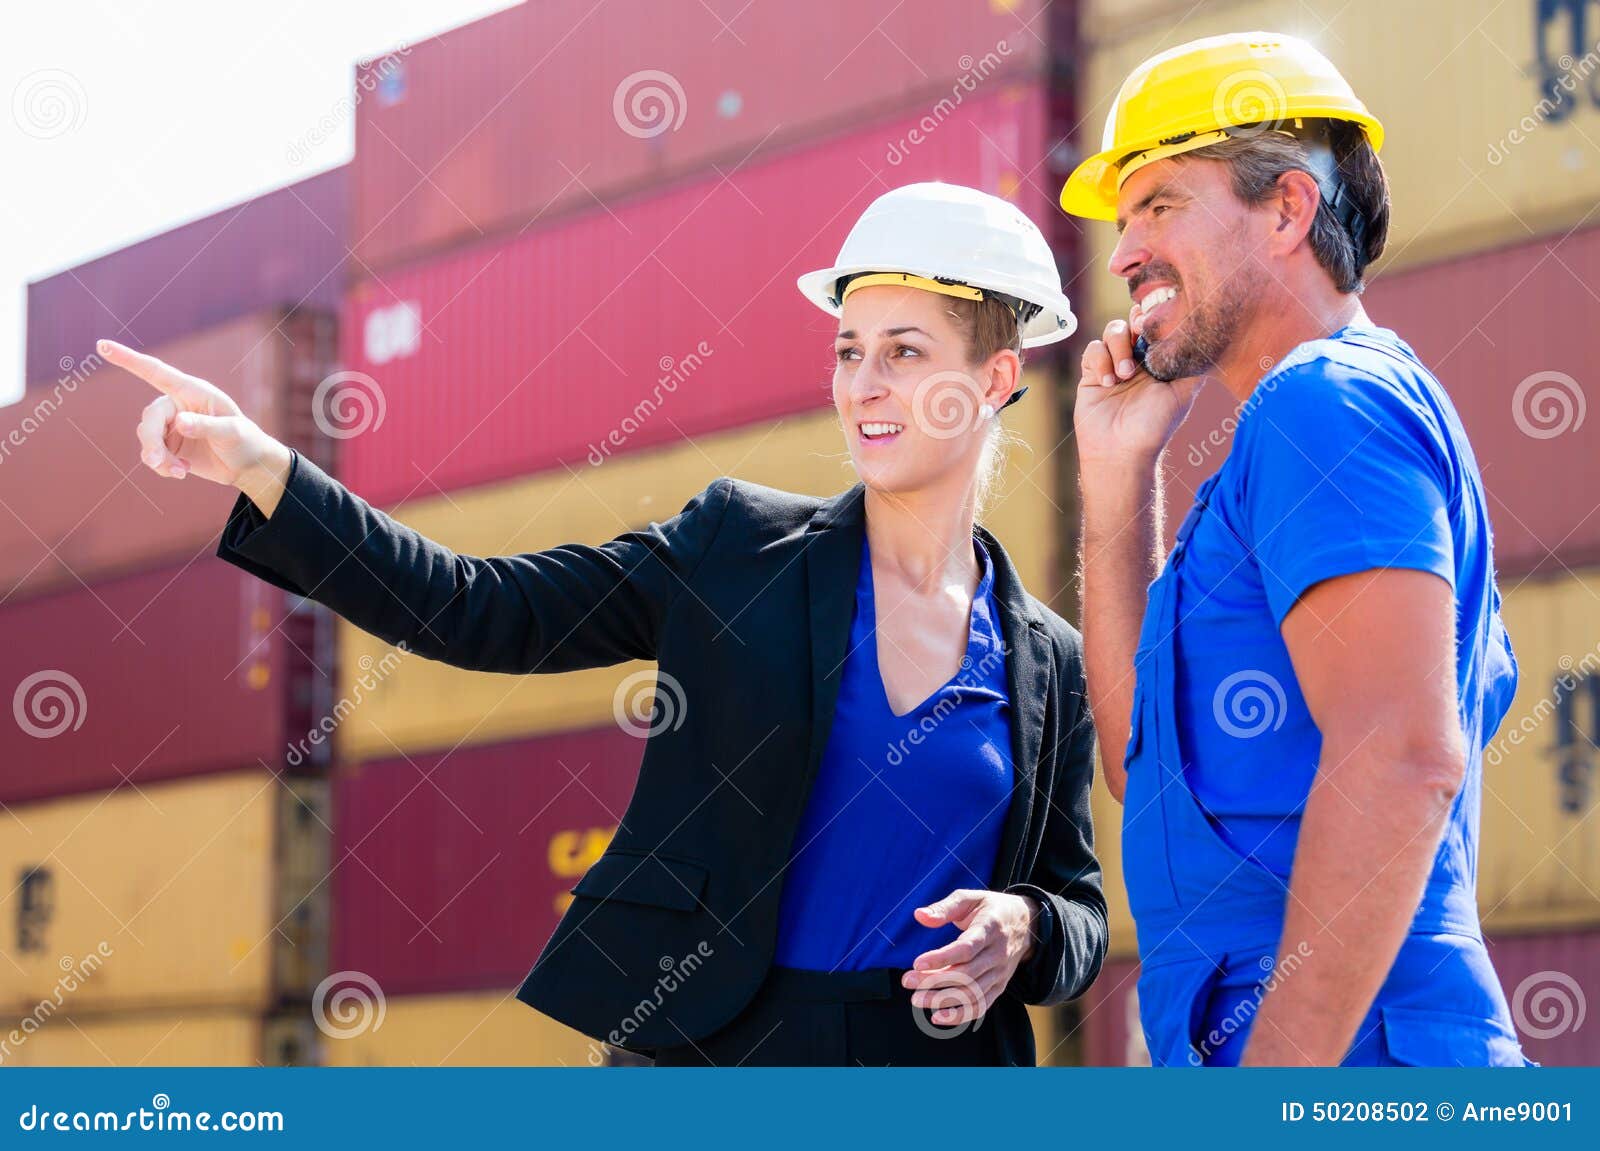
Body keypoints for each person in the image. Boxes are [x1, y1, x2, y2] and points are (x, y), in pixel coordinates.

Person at [104, 181, 1107, 1067]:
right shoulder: (738, 550)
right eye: (849, 351)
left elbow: (1080, 909)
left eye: (904, 352)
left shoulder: (1046, 659)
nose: (864, 384)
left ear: (994, 380)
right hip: (720, 1064)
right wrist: (263, 467)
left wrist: (1024, 925)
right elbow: (475, 608)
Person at [1061, 31, 1530, 1066]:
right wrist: (1118, 475)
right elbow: (1141, 766)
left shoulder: (1325, 405)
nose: (1125, 252)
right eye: (1123, 219)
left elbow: (1401, 757)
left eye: (1159, 205)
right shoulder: (1288, 432)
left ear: (1287, 209)